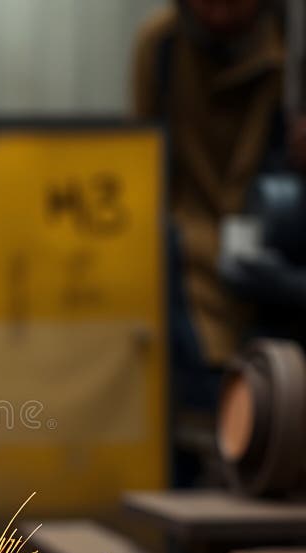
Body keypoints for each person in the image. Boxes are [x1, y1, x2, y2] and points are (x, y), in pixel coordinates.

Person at [132, 0, 286, 482]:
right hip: (188, 244)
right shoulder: (161, 48)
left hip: (279, 240)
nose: (219, 11)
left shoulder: (290, 43)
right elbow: (143, 161)